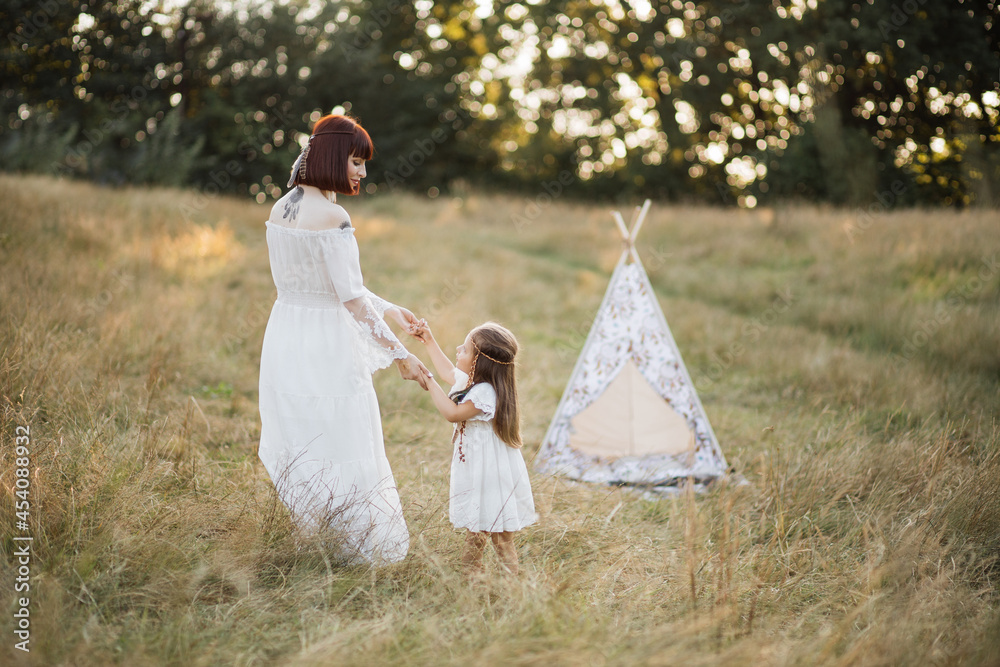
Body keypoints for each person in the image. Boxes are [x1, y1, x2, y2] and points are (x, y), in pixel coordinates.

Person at [257, 113, 431, 565]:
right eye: (356, 161)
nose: (362, 172)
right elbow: (350, 301)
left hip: (286, 337)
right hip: (325, 343)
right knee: (343, 436)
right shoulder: (333, 215)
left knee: (306, 435)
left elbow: (334, 284)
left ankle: (314, 536)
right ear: (334, 157)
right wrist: (400, 355)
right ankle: (356, 547)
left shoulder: (281, 207)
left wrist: (390, 308)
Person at [412, 320, 536, 574]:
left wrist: (428, 381)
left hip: (491, 476)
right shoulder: (475, 384)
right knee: (476, 534)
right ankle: (472, 583)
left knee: (500, 538)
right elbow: (450, 374)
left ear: (481, 362)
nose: (458, 349)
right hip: (479, 473)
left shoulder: (485, 393)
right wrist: (429, 341)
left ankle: (512, 586)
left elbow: (453, 413)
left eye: (466, 349)